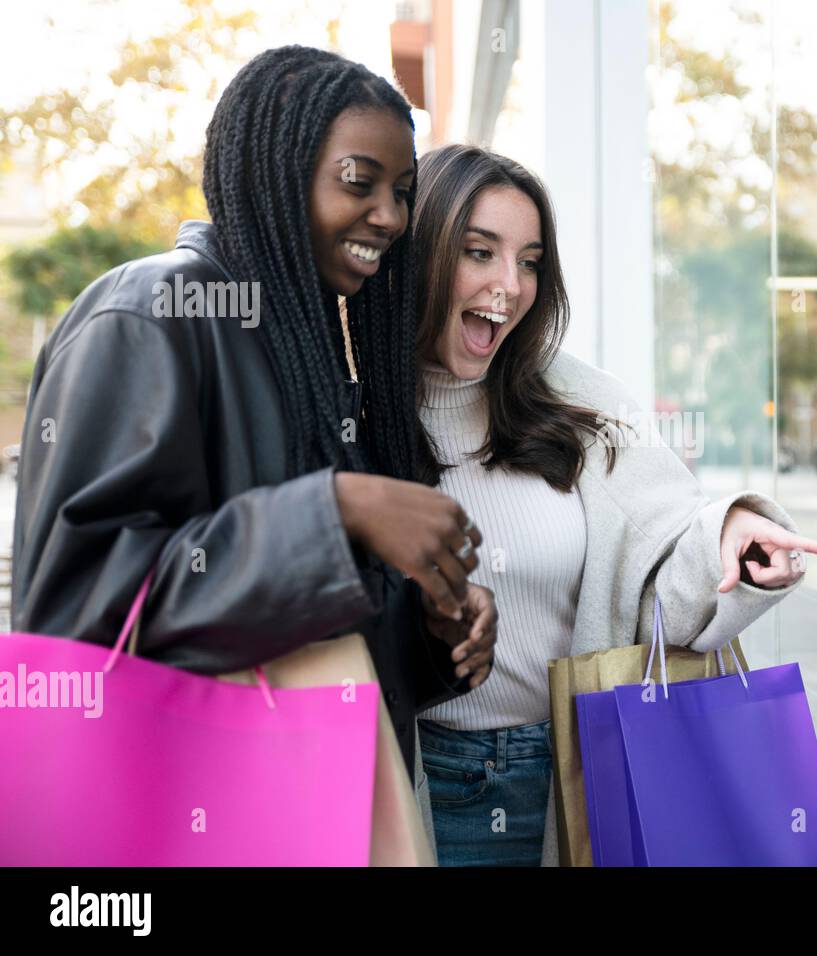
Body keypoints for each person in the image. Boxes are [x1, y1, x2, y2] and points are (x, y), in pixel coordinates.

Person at [11, 47, 498, 850]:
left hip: (303, 808)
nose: (391, 215)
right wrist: (337, 511)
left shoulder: (300, 346)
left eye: (402, 192)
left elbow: (305, 637)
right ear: (276, 170)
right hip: (172, 818)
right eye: (358, 180)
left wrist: (432, 635)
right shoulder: (151, 313)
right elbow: (77, 611)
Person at [409, 144, 817, 866]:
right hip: (410, 776)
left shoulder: (580, 400)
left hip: (570, 769)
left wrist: (730, 536)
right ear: (422, 254)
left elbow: (666, 553)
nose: (509, 286)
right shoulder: (357, 408)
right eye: (480, 252)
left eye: (531, 261)